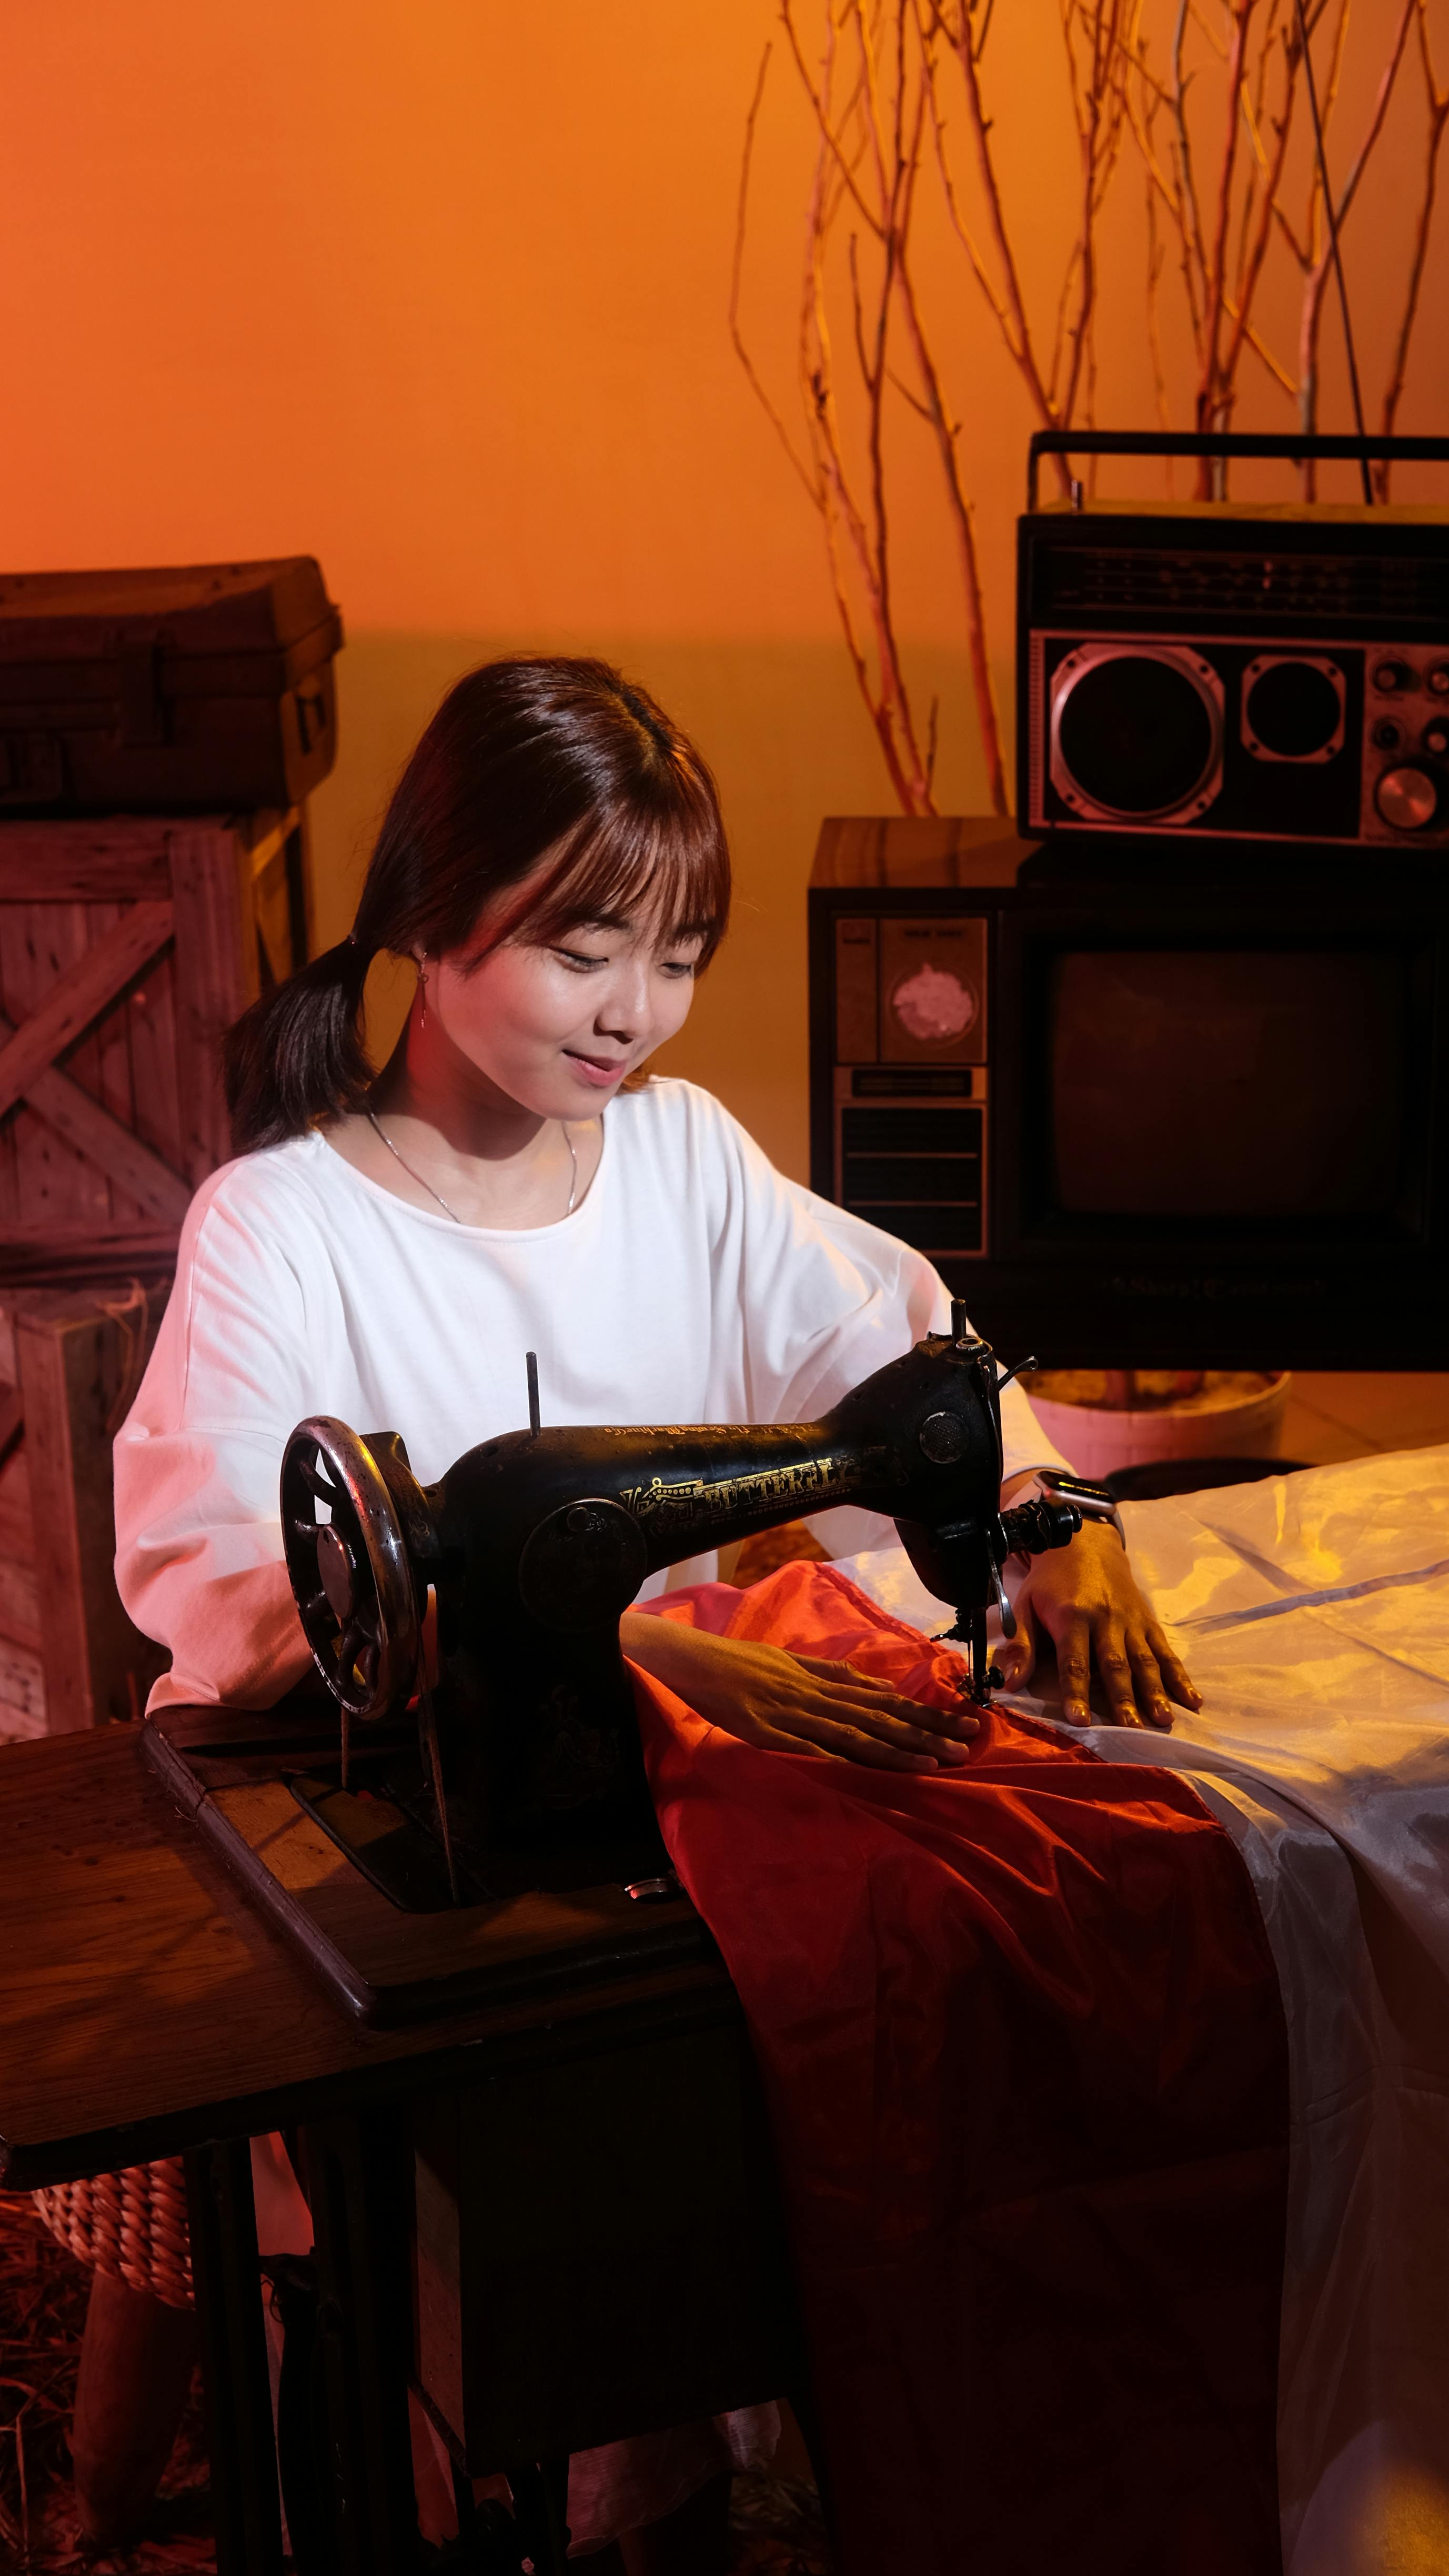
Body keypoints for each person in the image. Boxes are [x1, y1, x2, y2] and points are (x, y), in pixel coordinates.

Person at [114, 657, 1200, 2565]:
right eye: (588, 948)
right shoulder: (282, 1223)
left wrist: (1045, 1506)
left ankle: (703, 2466)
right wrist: (618, 1639)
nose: (638, 1013)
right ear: (433, 920)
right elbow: (224, 1579)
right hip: (389, 1826)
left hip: (653, 1795)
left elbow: (901, 1344)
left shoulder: (685, 1161)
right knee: (487, 2193)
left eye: (677, 953)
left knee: (978, 1953)